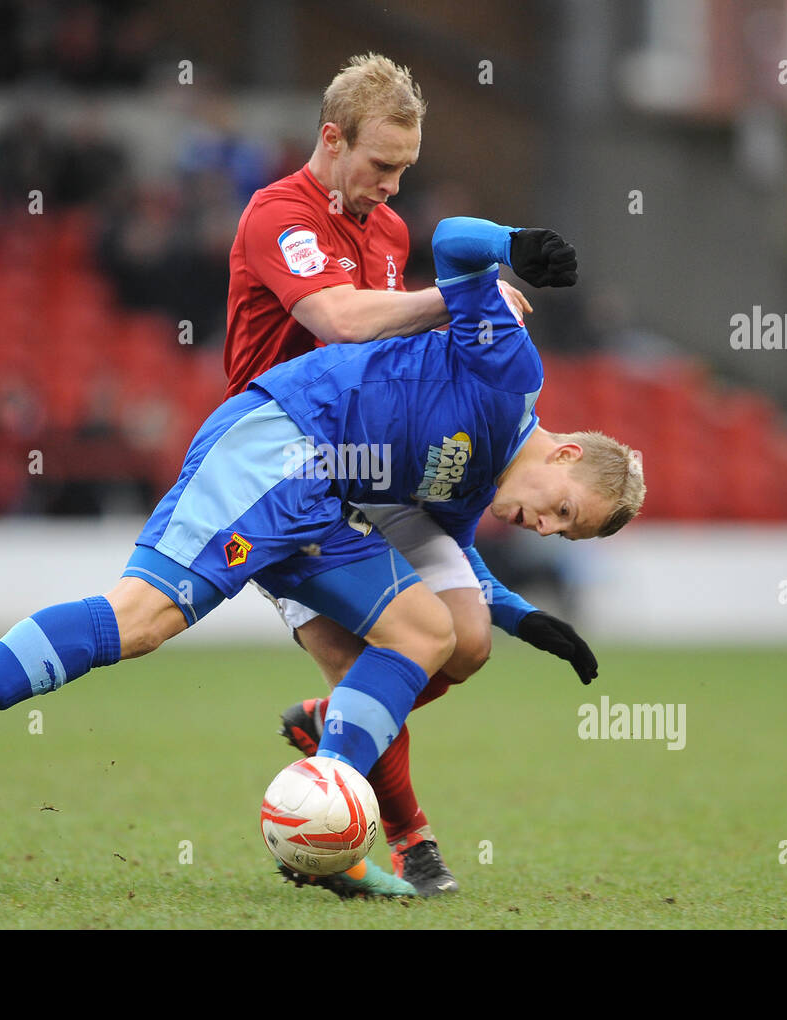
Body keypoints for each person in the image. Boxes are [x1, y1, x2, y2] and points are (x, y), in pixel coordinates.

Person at [0, 218, 647, 896]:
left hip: (326, 503)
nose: (547, 529)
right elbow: (453, 245)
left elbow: (451, 558)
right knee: (141, 621)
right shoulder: (512, 375)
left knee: (424, 630)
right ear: (568, 453)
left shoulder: (475, 487)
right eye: (565, 513)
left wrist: (523, 618)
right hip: (277, 448)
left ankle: (330, 829)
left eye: (563, 536)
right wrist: (516, 243)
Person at [224, 53, 579, 897]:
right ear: (331, 138)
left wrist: (483, 319)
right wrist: (461, 296)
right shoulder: (279, 213)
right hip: (279, 472)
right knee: (382, 656)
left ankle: (331, 735)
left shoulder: (385, 233)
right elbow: (341, 322)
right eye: (381, 166)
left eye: (404, 170)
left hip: (371, 468)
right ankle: (408, 840)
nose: (390, 188)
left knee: (469, 644)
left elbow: (392, 353)